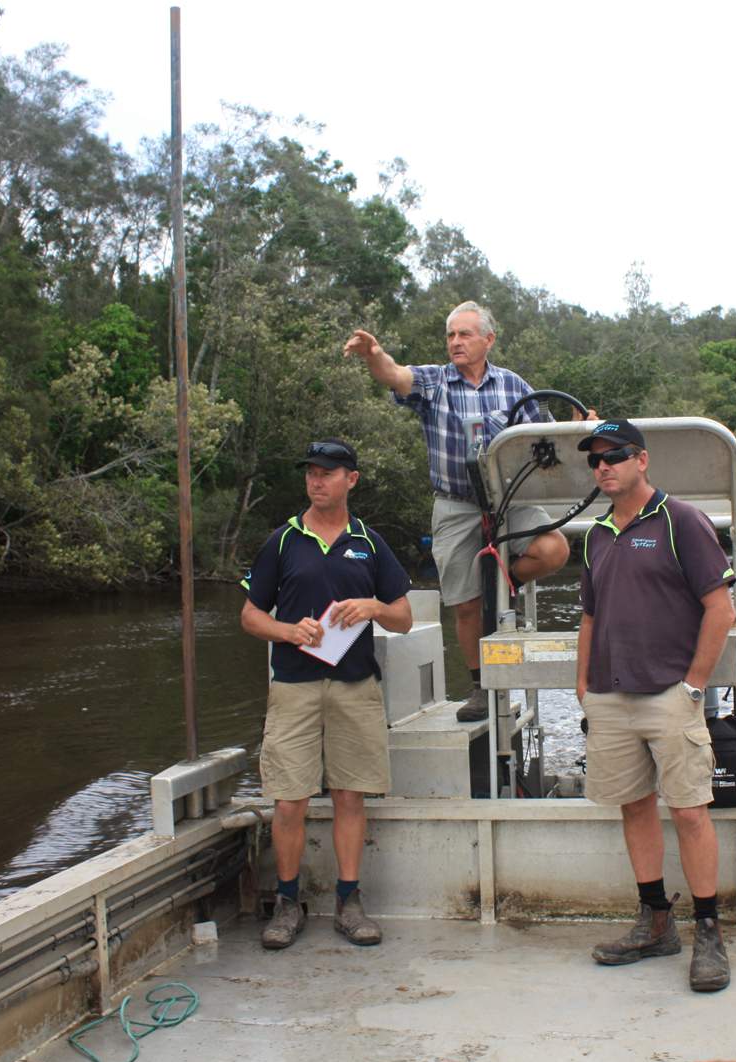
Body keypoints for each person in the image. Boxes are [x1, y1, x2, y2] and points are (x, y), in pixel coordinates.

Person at [344, 302, 574, 722]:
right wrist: (374, 355)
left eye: (465, 334)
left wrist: (581, 425)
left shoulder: (513, 385)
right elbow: (394, 376)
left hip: (511, 500)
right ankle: (480, 687)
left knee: (554, 549)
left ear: (488, 339)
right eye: (451, 335)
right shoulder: (434, 381)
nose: (455, 342)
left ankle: (498, 583)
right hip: (455, 503)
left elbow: (548, 439)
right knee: (463, 605)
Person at [573, 419, 736, 992]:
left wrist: (694, 685)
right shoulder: (594, 534)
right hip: (611, 696)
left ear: (641, 460)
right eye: (595, 459)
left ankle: (709, 933)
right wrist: (583, 685)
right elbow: (590, 618)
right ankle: (655, 923)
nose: (603, 466)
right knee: (633, 806)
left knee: (690, 811)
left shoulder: (682, 521)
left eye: (614, 455)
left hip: (670, 694)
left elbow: (721, 610)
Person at [240, 438, 413, 950]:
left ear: (351, 480)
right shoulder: (282, 540)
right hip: (292, 687)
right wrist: (289, 631)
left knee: (349, 795)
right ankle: (288, 903)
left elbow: (404, 618)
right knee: (289, 800)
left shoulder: (369, 542)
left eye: (329, 472)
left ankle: (349, 900)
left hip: (355, 686)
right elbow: (250, 616)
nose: (317, 480)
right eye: (311, 472)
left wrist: (373, 607)